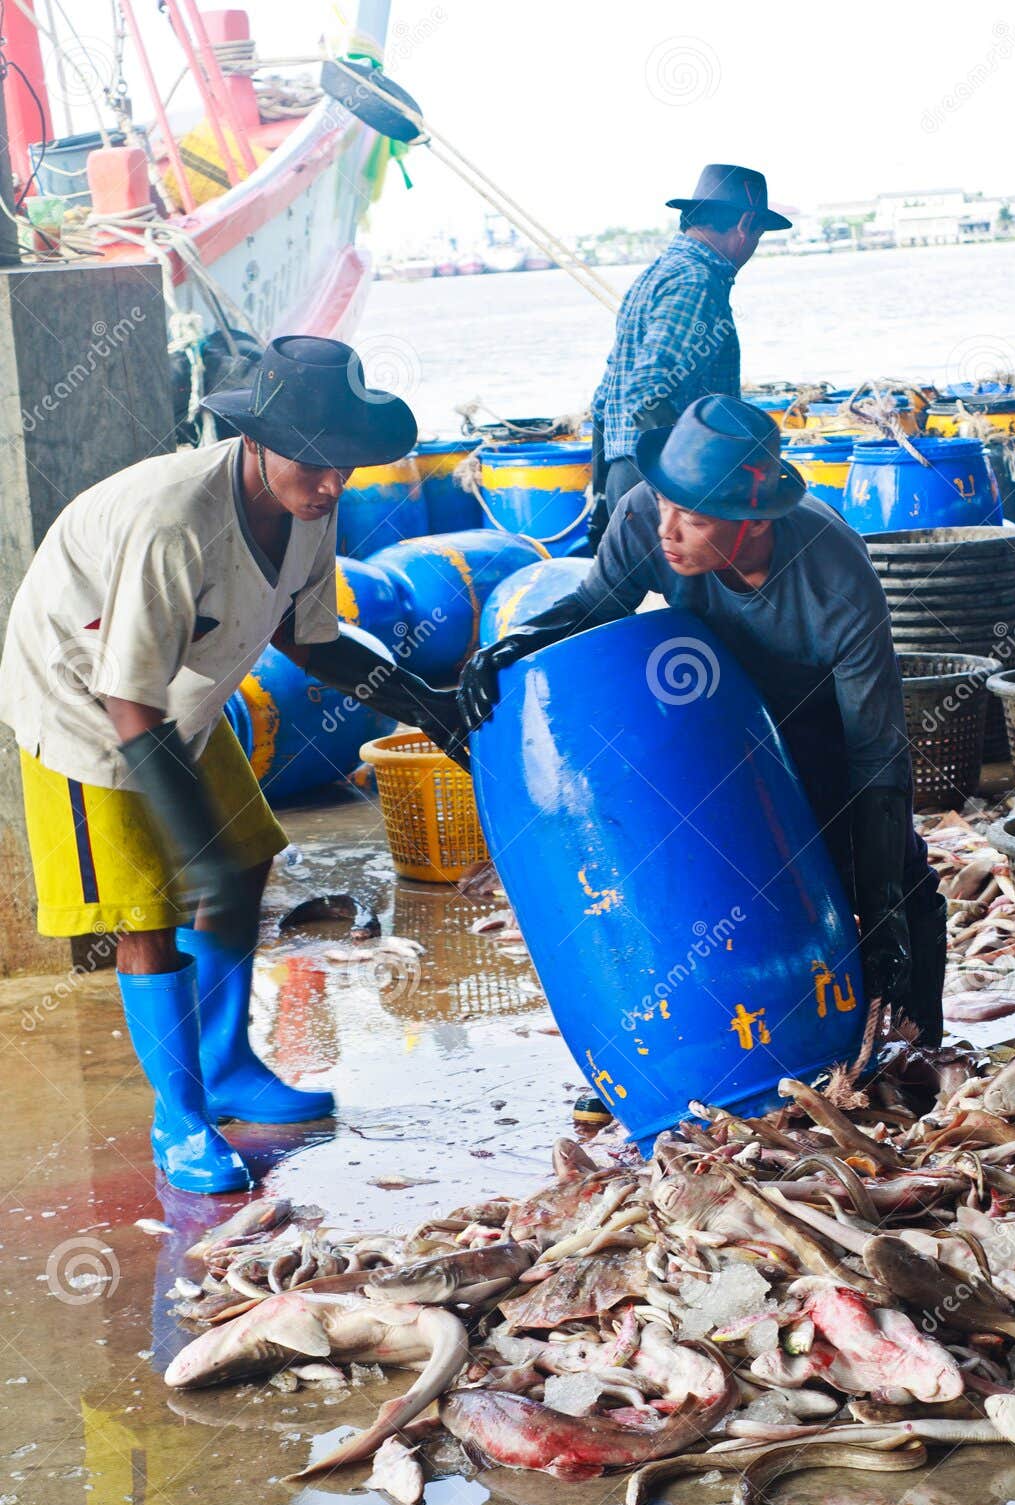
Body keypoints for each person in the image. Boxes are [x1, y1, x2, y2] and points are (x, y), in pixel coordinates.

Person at [0, 335, 465, 1194]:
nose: (332, 485)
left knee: (246, 859)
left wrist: (425, 702)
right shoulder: (176, 521)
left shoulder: (307, 510)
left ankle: (226, 1068)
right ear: (255, 441)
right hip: (85, 702)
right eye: (316, 464)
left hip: (176, 686)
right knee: (149, 911)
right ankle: (179, 1121)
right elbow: (125, 699)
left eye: (348, 466)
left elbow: (308, 636)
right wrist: (190, 845)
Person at [458, 395, 947, 1045]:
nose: (666, 530)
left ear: (752, 522)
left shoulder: (838, 582)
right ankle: (680, 1047)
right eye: (665, 503)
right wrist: (508, 646)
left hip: (812, 721)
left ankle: (918, 1048)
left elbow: (875, 754)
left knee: (899, 888)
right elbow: (597, 604)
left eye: (690, 517)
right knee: (689, 878)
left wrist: (881, 911)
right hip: (708, 709)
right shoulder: (642, 515)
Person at [587, 163, 791, 548]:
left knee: (650, 604)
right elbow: (645, 392)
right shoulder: (696, 281)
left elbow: (606, 397)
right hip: (663, 488)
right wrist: (682, 485)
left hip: (630, 476)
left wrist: (602, 496)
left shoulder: (659, 272)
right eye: (759, 233)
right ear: (745, 224)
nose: (754, 246)